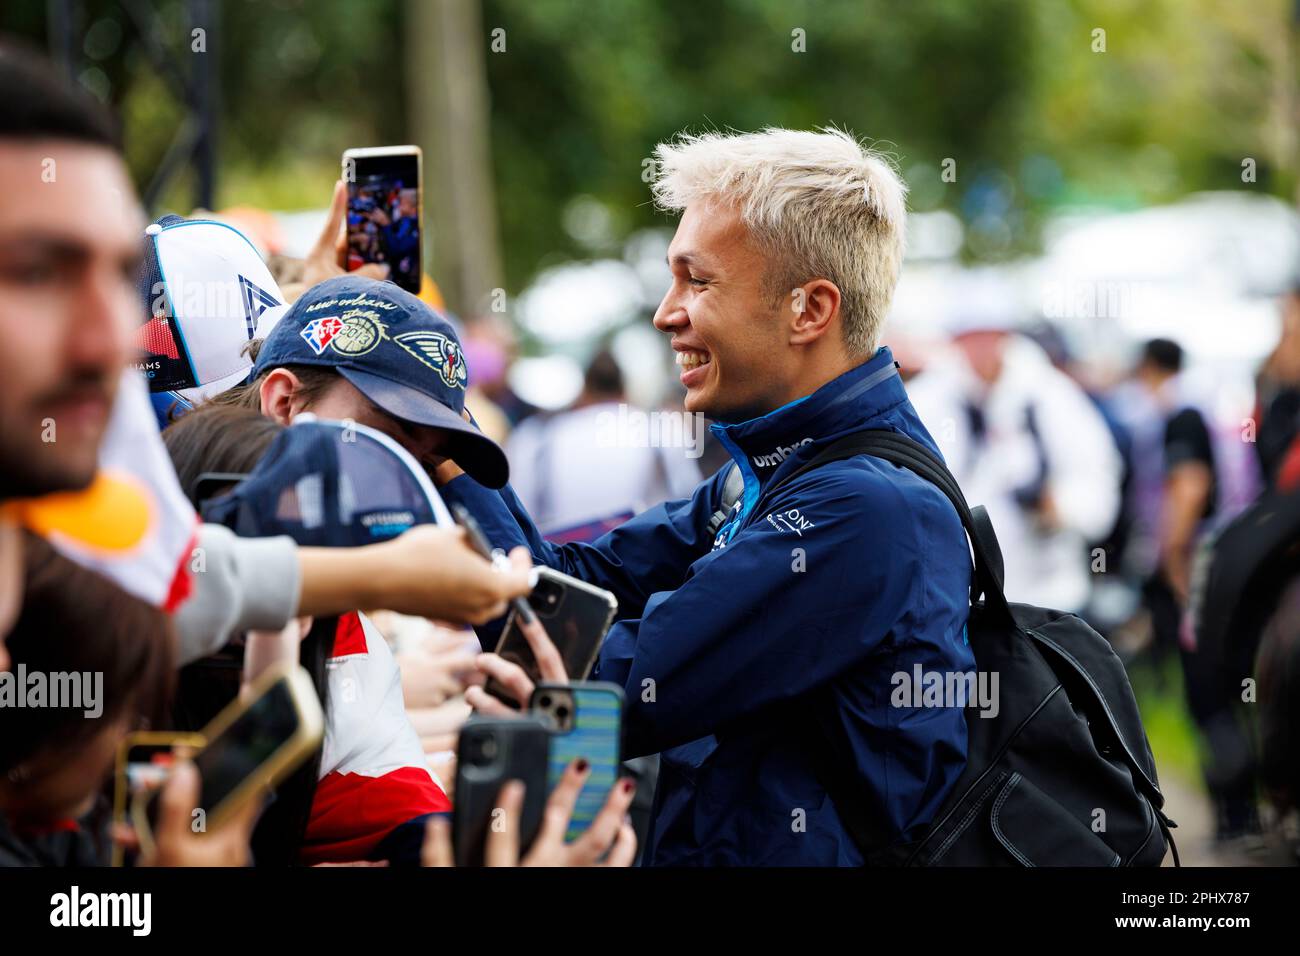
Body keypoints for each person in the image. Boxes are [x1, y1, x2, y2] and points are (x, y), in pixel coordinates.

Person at [440, 127, 976, 866]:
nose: (666, 312)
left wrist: (438, 444)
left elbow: (589, 683)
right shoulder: (770, 470)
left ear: (809, 311)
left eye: (698, 280)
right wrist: (446, 436)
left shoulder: (863, 509)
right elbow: (566, 590)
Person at [907, 282, 1122, 615]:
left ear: (1005, 336)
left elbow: (1097, 476)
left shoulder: (1051, 396)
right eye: (970, 336)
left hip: (1048, 593)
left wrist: (1061, 507)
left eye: (989, 335)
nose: (981, 348)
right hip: (956, 596)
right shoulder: (929, 401)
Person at [506, 348, 702, 541]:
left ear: (584, 391)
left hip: (564, 563)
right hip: (646, 560)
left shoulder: (536, 436)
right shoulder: (663, 429)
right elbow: (689, 503)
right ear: (624, 390)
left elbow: (519, 513)